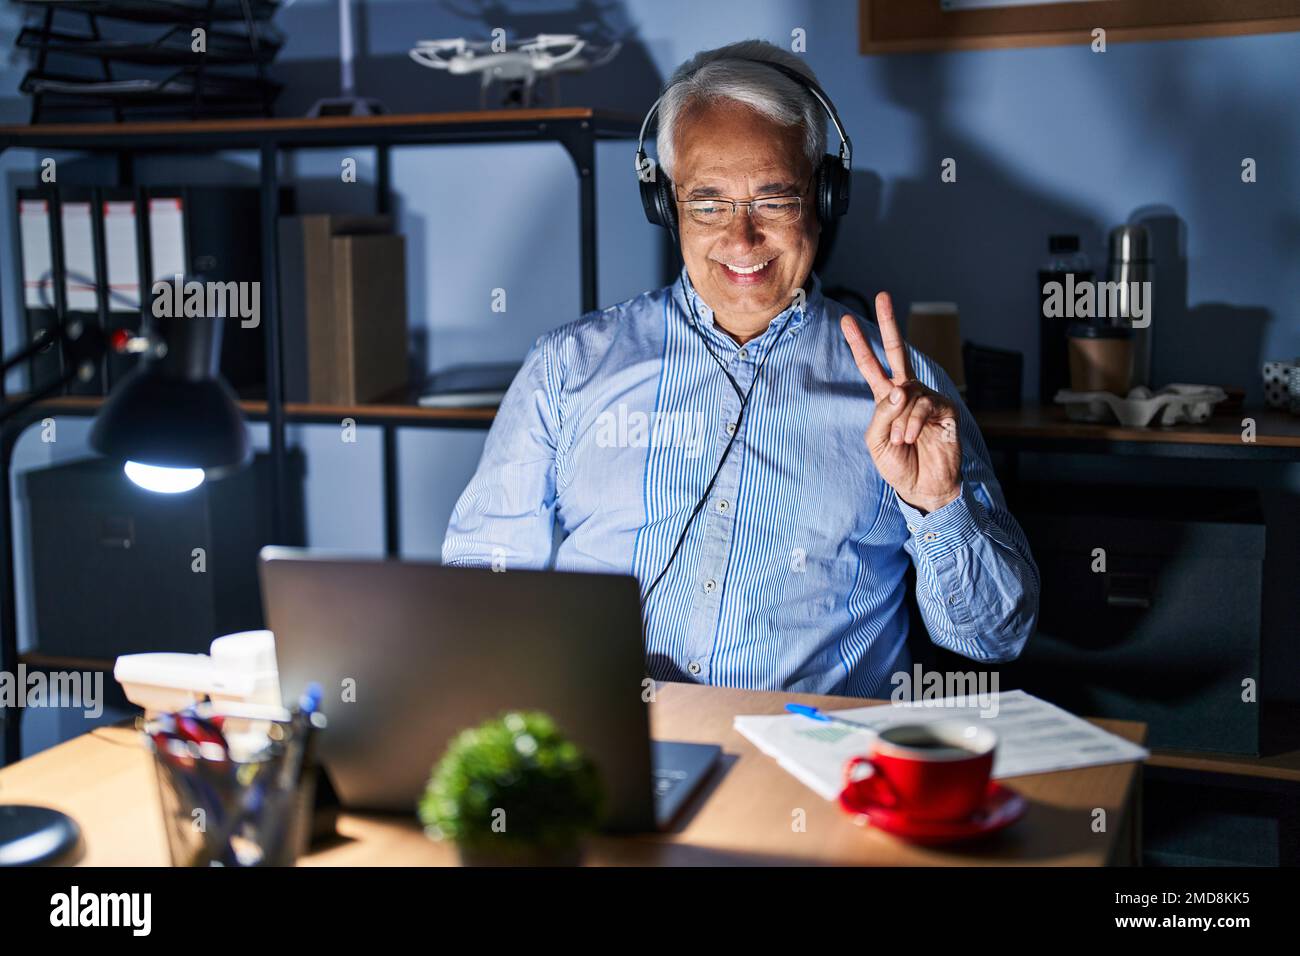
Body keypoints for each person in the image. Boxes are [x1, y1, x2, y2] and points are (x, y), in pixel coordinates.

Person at [443, 40, 1038, 696]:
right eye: (708, 203)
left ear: (823, 198)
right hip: (620, 758)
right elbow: (481, 592)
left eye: (773, 200)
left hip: (815, 772)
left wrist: (938, 504)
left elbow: (994, 638)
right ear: (666, 206)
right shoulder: (566, 368)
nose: (740, 238)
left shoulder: (907, 394)